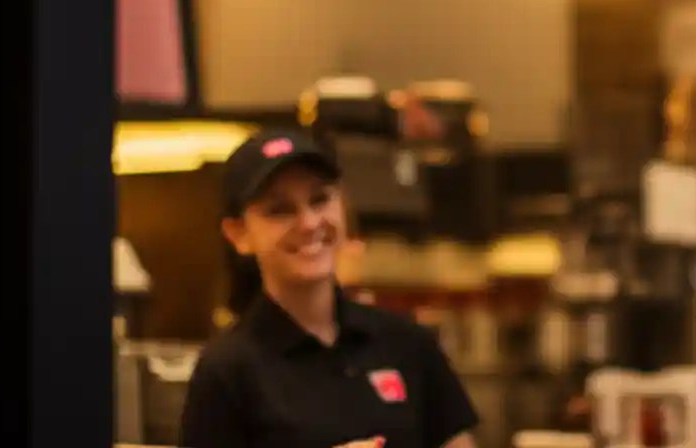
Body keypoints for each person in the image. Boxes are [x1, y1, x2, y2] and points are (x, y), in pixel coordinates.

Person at [179, 126, 479, 448]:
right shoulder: (227, 371)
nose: (308, 223)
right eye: (280, 210)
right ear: (239, 235)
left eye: (319, 199)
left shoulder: (407, 343)